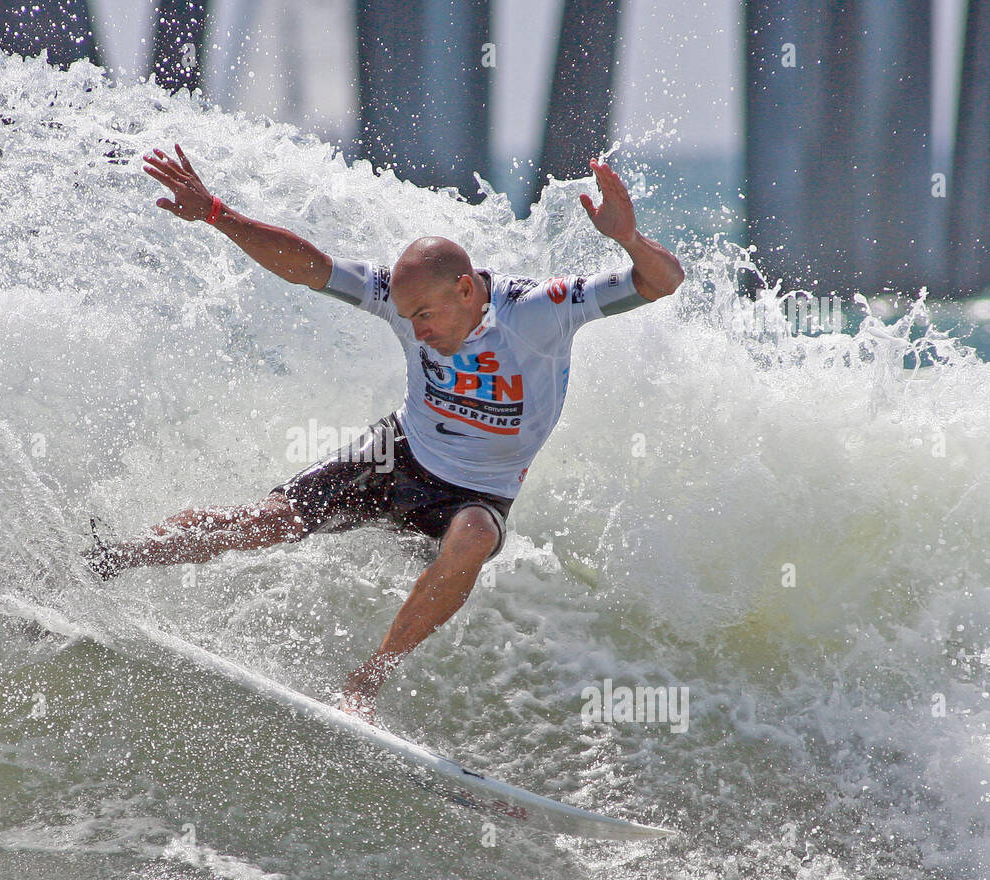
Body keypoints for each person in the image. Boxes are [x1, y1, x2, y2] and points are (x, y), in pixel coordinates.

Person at [84, 143, 685, 721]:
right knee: (269, 521)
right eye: (407, 318)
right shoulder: (404, 303)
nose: (417, 333)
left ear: (467, 289)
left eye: (426, 316)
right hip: (397, 452)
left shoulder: (539, 311)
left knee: (475, 533)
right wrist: (216, 214)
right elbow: (311, 268)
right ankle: (113, 559)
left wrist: (628, 239)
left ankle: (364, 682)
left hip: (475, 492)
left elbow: (662, 282)